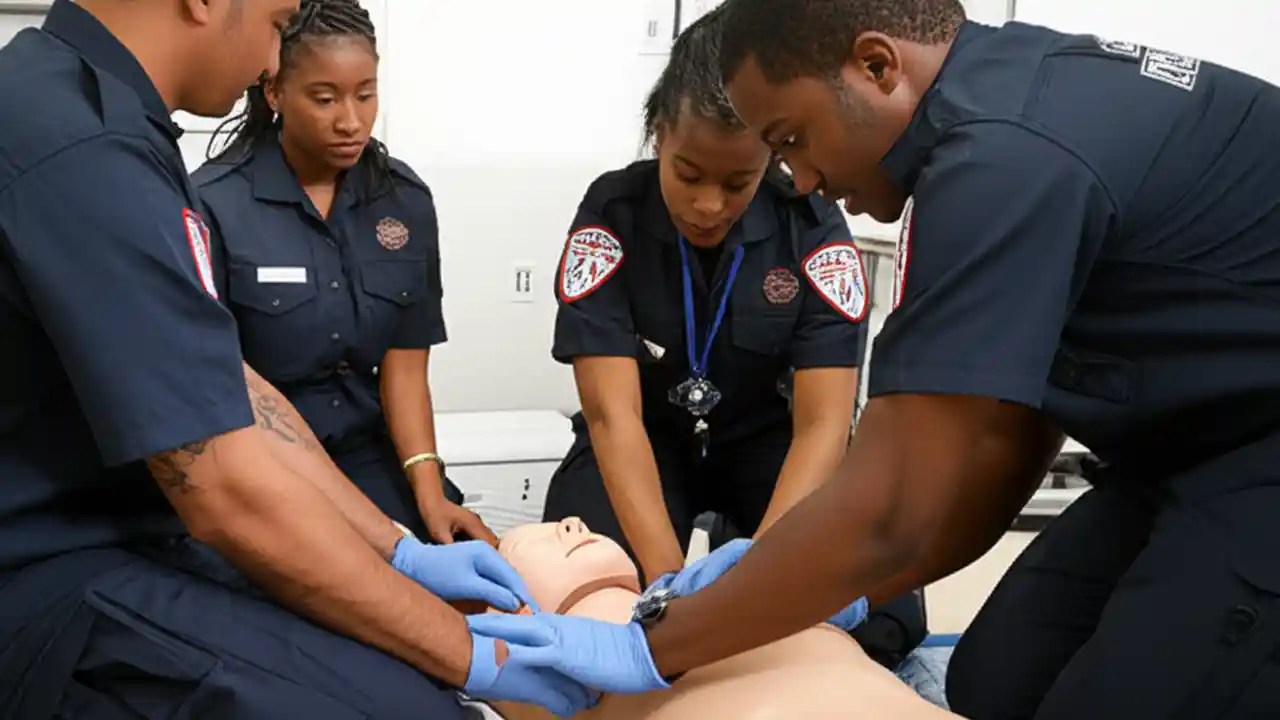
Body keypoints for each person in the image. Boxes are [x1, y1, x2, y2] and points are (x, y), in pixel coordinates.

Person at [462, 0, 1280, 717]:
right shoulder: (1007, 99)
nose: (806, 179)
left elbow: (891, 504)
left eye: (792, 140)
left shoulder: (998, 160)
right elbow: (1002, 439)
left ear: (877, 66)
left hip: (1251, 458)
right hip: (1184, 448)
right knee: (993, 684)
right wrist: (788, 588)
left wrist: (658, 645)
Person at [0, 1, 588, 717]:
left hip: (158, 521)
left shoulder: (95, 114)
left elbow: (218, 379)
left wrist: (398, 547)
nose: (272, 63)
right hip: (57, 572)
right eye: (280, 25)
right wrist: (475, 655)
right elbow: (223, 485)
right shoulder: (83, 150)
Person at [542, 7, 926, 665]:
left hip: (768, 439)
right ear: (658, 135)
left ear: (773, 156)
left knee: (885, 614)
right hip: (648, 436)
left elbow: (824, 426)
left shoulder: (811, 227)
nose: (709, 205)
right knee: (581, 587)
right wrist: (673, 591)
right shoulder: (611, 214)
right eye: (689, 174)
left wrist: (753, 587)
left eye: (738, 182)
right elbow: (613, 418)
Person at [192, 0, 487, 545]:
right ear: (275, 91)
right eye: (324, 99)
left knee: (476, 579)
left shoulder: (404, 201)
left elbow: (404, 368)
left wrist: (430, 494)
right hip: (261, 464)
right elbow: (210, 388)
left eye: (365, 94)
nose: (351, 120)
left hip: (371, 460)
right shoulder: (214, 204)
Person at [478, 518, 955, 720]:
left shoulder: (709, 587)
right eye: (536, 539)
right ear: (509, 606)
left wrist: (810, 584)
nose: (572, 524)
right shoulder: (536, 662)